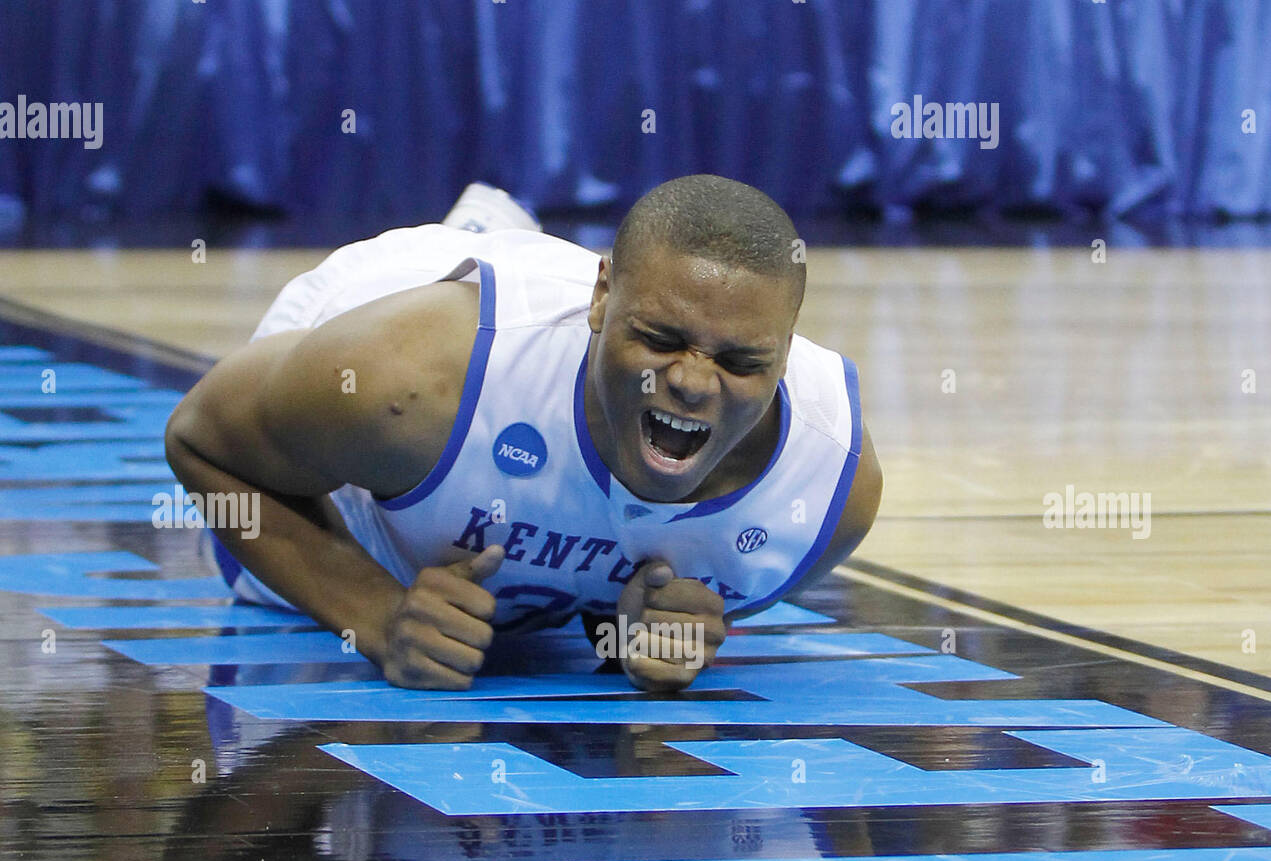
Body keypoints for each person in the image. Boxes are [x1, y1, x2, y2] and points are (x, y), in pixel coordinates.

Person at [165, 175, 882, 692]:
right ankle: (477, 236)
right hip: (395, 333)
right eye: (660, 340)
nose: (693, 383)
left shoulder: (826, 496)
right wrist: (376, 616)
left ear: (786, 357)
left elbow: (607, 620)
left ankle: (509, 234)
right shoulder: (401, 379)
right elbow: (199, 437)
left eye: (738, 362)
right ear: (602, 300)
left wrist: (625, 633)